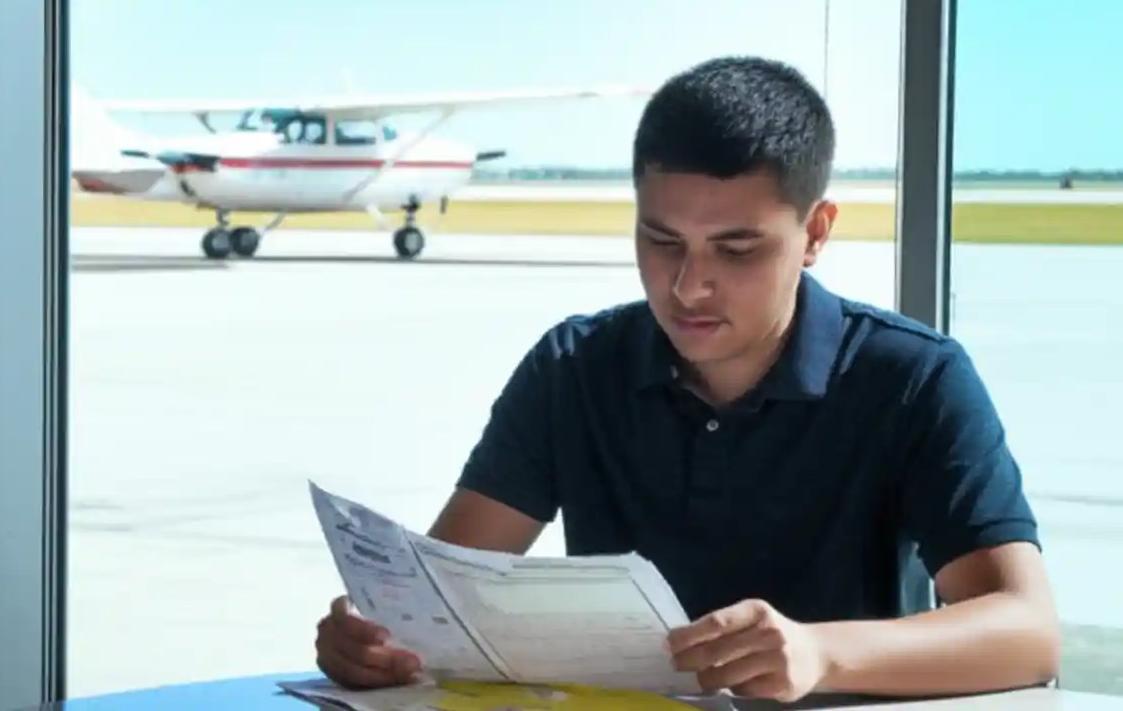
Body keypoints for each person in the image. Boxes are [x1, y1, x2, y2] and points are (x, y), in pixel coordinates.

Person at [312, 56, 1061, 702]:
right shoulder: (573, 367)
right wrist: (377, 641)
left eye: (737, 250)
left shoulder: (912, 377)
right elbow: (444, 597)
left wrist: (819, 653)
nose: (689, 287)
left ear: (817, 234)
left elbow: (1027, 631)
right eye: (662, 240)